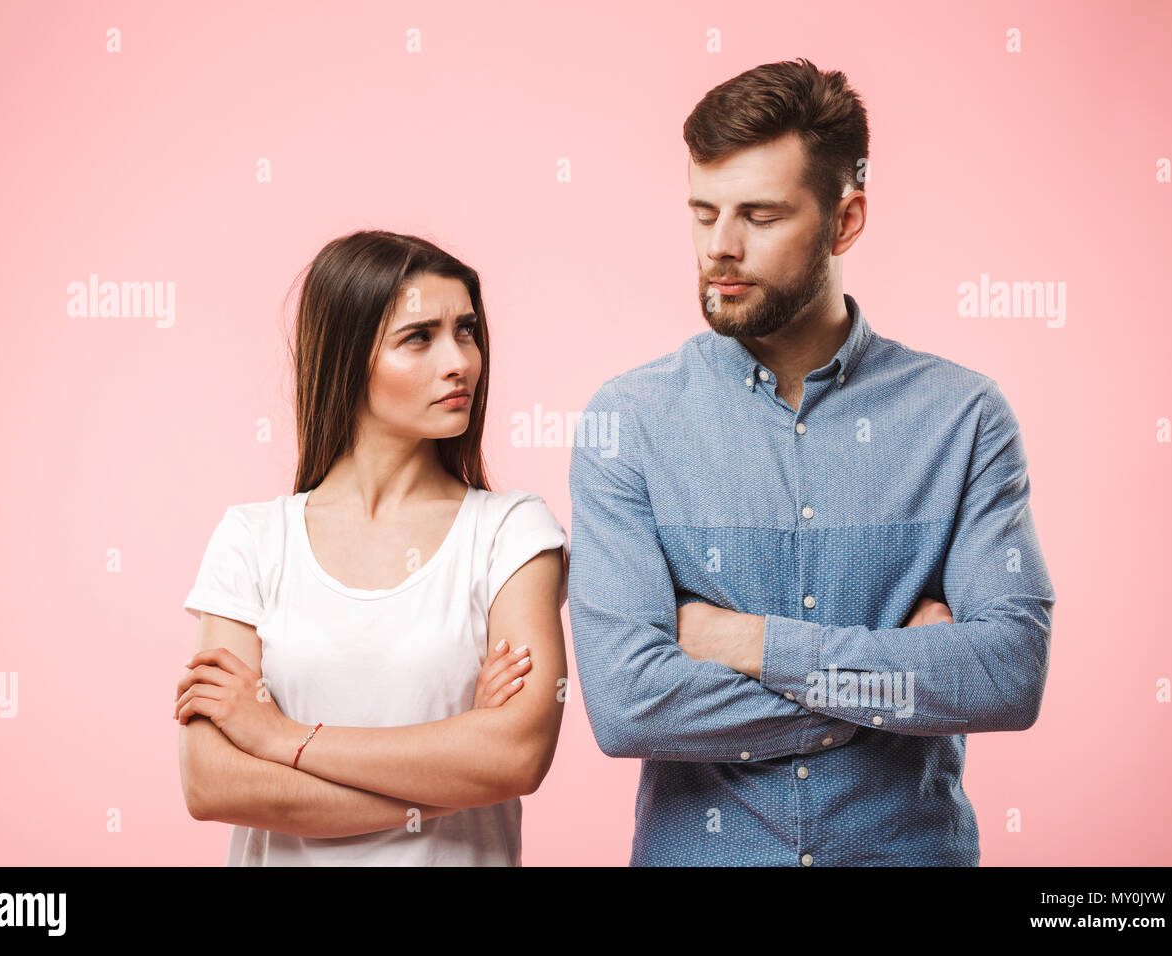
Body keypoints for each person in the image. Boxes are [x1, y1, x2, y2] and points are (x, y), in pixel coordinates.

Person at [567, 59, 1056, 866]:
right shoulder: (630, 422)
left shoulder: (964, 417)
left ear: (845, 220)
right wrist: (897, 688)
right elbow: (629, 706)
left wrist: (751, 643)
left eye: (759, 215)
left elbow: (1006, 675)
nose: (719, 248)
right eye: (702, 213)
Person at [176, 230, 569, 866]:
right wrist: (454, 769)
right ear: (346, 356)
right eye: (420, 337)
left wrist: (281, 737)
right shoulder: (251, 540)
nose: (460, 361)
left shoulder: (512, 533)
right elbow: (211, 783)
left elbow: (515, 756)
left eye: (466, 331)